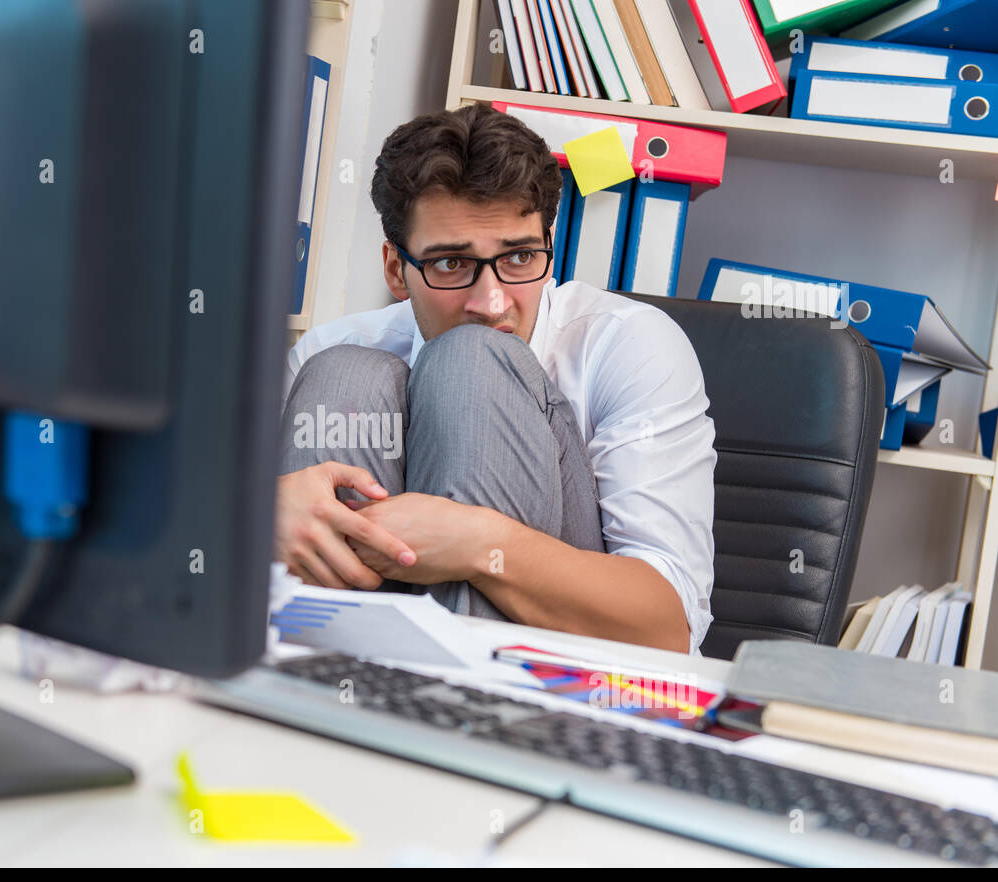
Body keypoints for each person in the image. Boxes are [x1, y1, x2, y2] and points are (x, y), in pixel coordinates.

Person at [274, 103, 715, 654]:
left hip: (572, 681)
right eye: (452, 264)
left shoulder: (630, 343)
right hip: (364, 678)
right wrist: (264, 518)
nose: (492, 301)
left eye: (520, 256)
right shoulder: (336, 349)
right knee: (343, 373)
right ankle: (323, 706)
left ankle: (460, 722)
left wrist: (479, 541)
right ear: (395, 269)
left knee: (471, 363)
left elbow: (668, 629)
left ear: (550, 248)